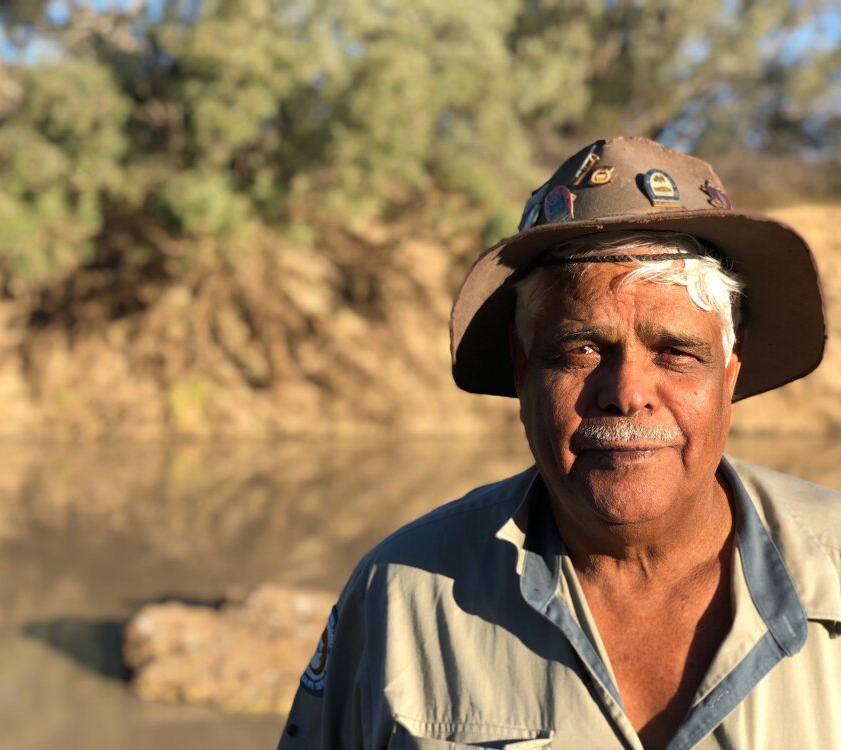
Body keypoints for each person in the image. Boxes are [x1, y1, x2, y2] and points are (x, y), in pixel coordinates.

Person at [278, 137, 841, 750]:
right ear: (523, 369)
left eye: (675, 353)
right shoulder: (401, 596)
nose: (626, 393)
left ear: (730, 372)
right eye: (581, 350)